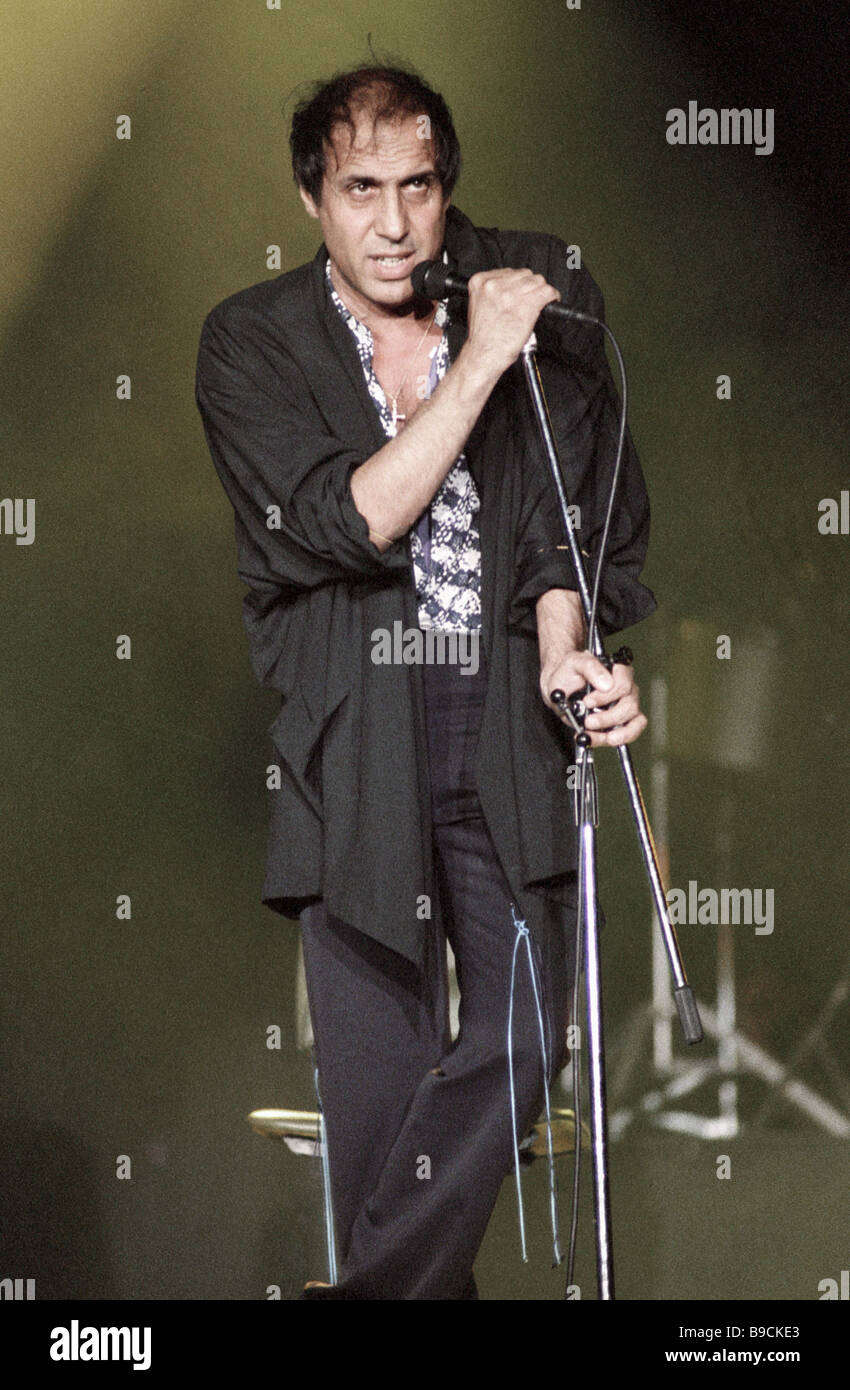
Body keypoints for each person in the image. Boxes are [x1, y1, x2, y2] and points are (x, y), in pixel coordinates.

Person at [195, 64, 656, 1300]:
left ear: (448, 186)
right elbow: (354, 521)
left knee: (516, 1045)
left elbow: (569, 520)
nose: (394, 224)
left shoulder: (534, 286)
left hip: (505, 718)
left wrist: (569, 649)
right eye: (360, 190)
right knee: (382, 1113)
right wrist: (474, 364)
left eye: (418, 187)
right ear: (311, 197)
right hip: (357, 742)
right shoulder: (253, 341)